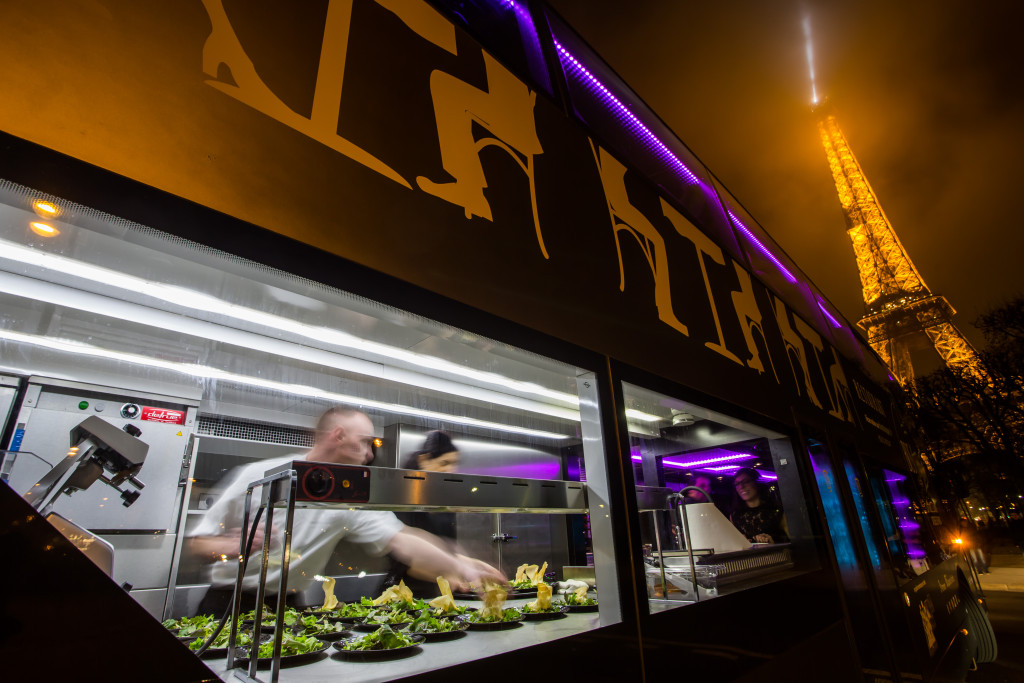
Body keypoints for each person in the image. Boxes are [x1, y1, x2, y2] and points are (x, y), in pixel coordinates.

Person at [188, 408, 505, 614]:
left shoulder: (347, 498)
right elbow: (199, 543)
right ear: (338, 436)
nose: (369, 454)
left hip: (286, 605)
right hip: (227, 603)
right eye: (366, 443)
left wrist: (458, 566)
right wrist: (229, 548)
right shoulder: (257, 475)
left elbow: (403, 539)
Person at [385, 430, 462, 596]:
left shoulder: (444, 504)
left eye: (454, 463)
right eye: (444, 463)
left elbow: (448, 551)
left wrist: (470, 566)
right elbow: (406, 563)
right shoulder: (404, 500)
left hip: (438, 594)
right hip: (403, 597)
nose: (451, 469)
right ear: (423, 460)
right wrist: (448, 575)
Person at [729, 467, 789, 544]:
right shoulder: (735, 515)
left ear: (756, 483)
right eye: (737, 484)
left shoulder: (776, 511)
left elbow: (794, 540)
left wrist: (773, 541)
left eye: (746, 482)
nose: (741, 487)